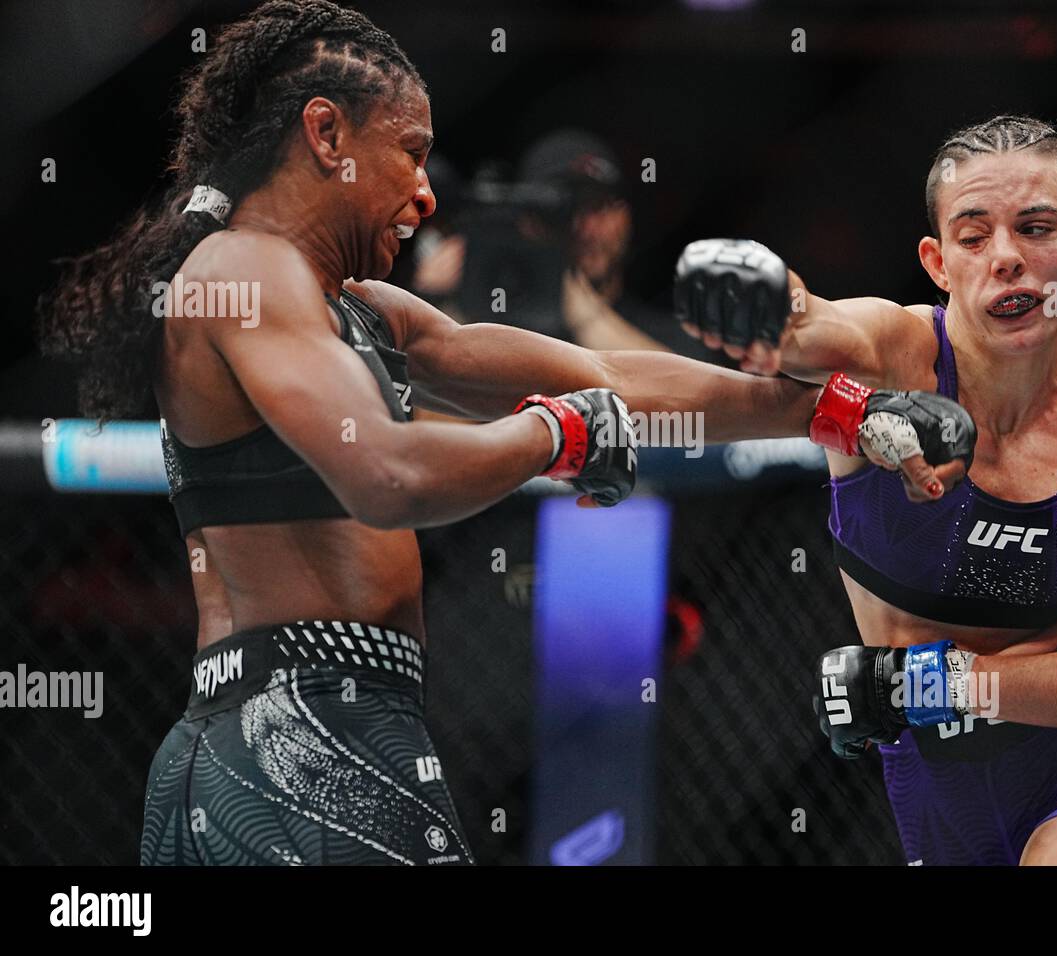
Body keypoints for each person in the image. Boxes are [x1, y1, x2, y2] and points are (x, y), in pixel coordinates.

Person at [38, 0, 945, 866]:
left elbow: (614, 377)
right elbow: (387, 475)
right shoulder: (246, 266)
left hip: (296, 730)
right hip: (300, 731)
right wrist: (554, 439)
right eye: (411, 153)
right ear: (325, 136)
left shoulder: (360, 310)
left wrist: (837, 411)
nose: (428, 194)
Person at [674, 115, 1057, 865]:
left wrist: (942, 682)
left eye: (1036, 229)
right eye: (974, 236)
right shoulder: (896, 358)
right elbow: (821, 329)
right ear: (936, 261)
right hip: (937, 794)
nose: (1008, 260)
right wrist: (770, 300)